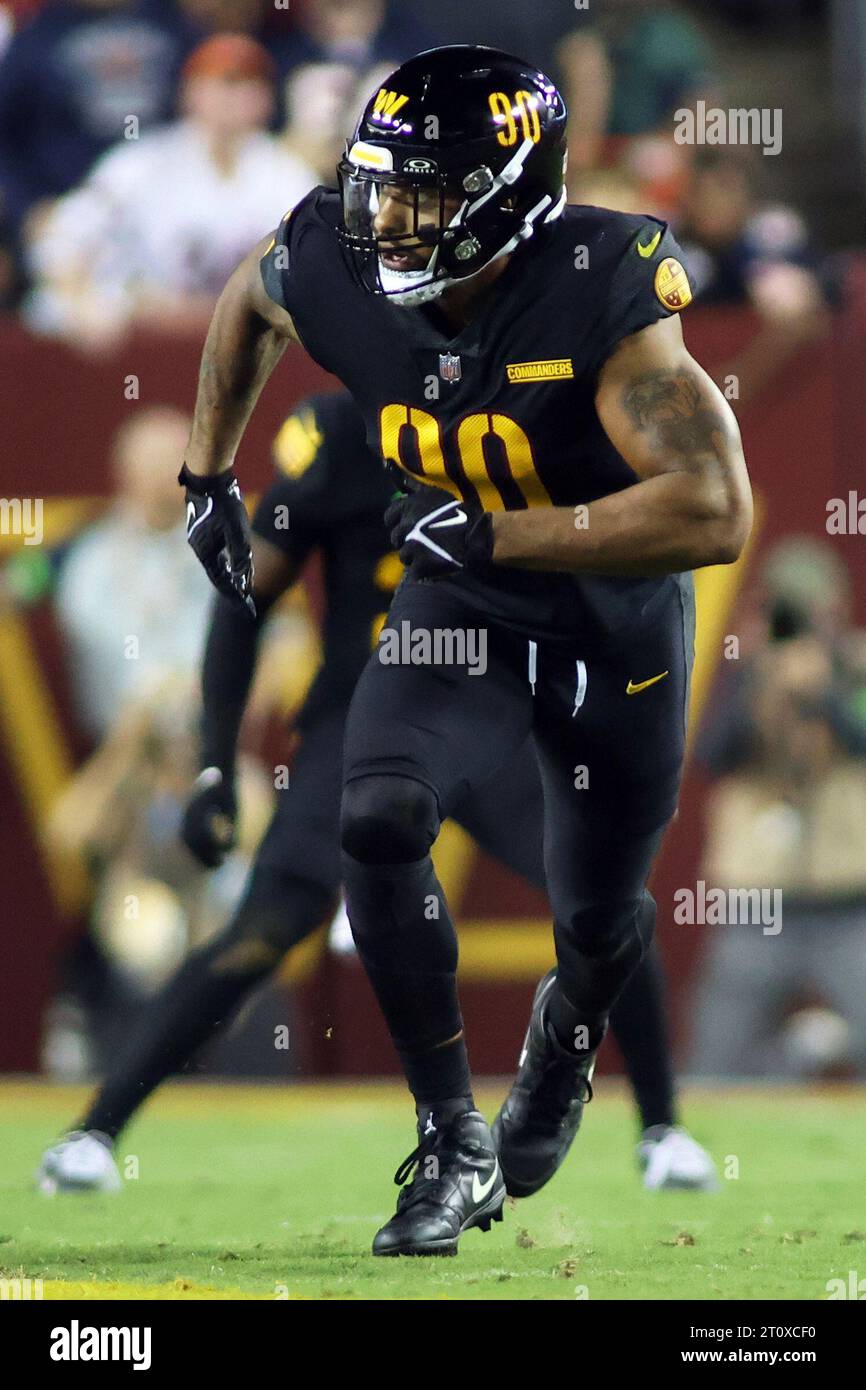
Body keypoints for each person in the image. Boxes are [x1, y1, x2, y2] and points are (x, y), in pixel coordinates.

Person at [177, 47, 752, 1256]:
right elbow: (251, 298)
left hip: (612, 624)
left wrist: (502, 528)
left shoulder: (595, 280)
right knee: (377, 812)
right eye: (378, 185)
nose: (385, 217)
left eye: (423, 194)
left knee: (598, 923)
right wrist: (207, 471)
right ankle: (452, 1138)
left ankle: (563, 1043)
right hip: (464, 606)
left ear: (505, 196)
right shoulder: (334, 255)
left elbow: (713, 508)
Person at [38, 391, 718, 1195]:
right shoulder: (335, 433)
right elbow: (247, 593)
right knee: (263, 928)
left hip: (490, 705)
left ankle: (664, 1126)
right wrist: (216, 763)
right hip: (368, 716)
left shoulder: (518, 405)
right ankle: (97, 1129)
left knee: (605, 904)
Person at [26, 33, 316, 347]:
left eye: (251, 85)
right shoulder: (140, 164)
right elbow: (60, 238)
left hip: (243, 344)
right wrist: (80, 298)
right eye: (225, 82)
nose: (235, 98)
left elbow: (315, 275)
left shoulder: (288, 175)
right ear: (190, 91)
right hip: (141, 341)